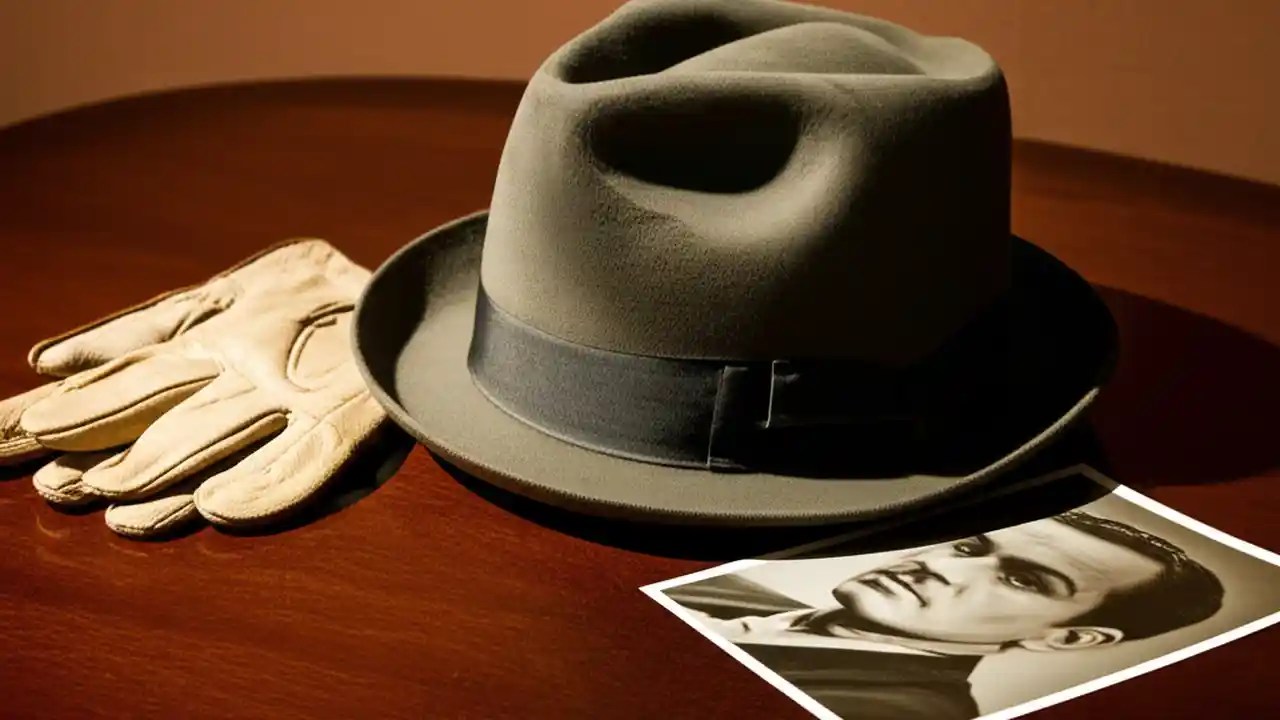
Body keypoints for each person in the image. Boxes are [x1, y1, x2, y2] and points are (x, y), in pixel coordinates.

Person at [666, 511, 1224, 720]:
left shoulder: (899, 709)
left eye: (1023, 579)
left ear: (1072, 637)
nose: (938, 565)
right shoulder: (739, 596)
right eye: (968, 547)